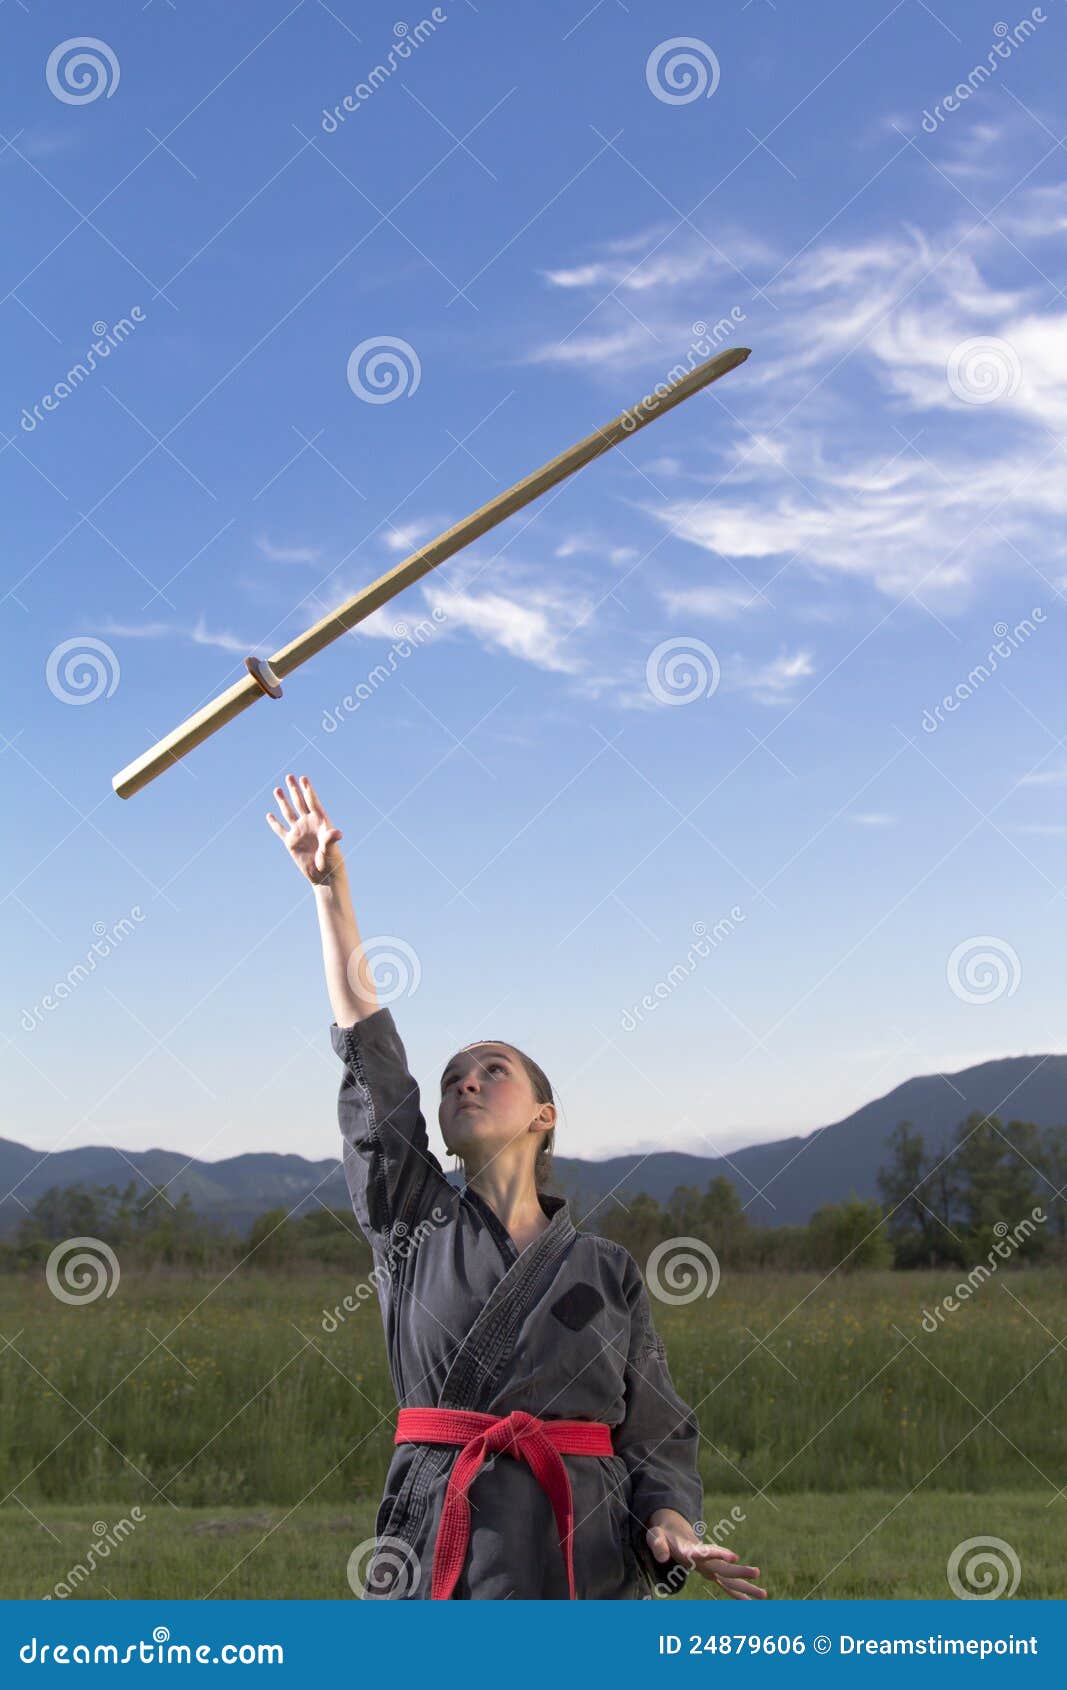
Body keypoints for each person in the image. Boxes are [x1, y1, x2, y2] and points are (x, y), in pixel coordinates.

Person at [266, 772, 767, 1603]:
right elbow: (374, 1065)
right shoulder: (410, 1224)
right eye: (452, 1079)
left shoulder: (606, 1269)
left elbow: (653, 1429)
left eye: (492, 1070)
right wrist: (330, 891)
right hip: (445, 1539)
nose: (464, 1082)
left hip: (583, 1555)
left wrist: (670, 1522)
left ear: (544, 1114)